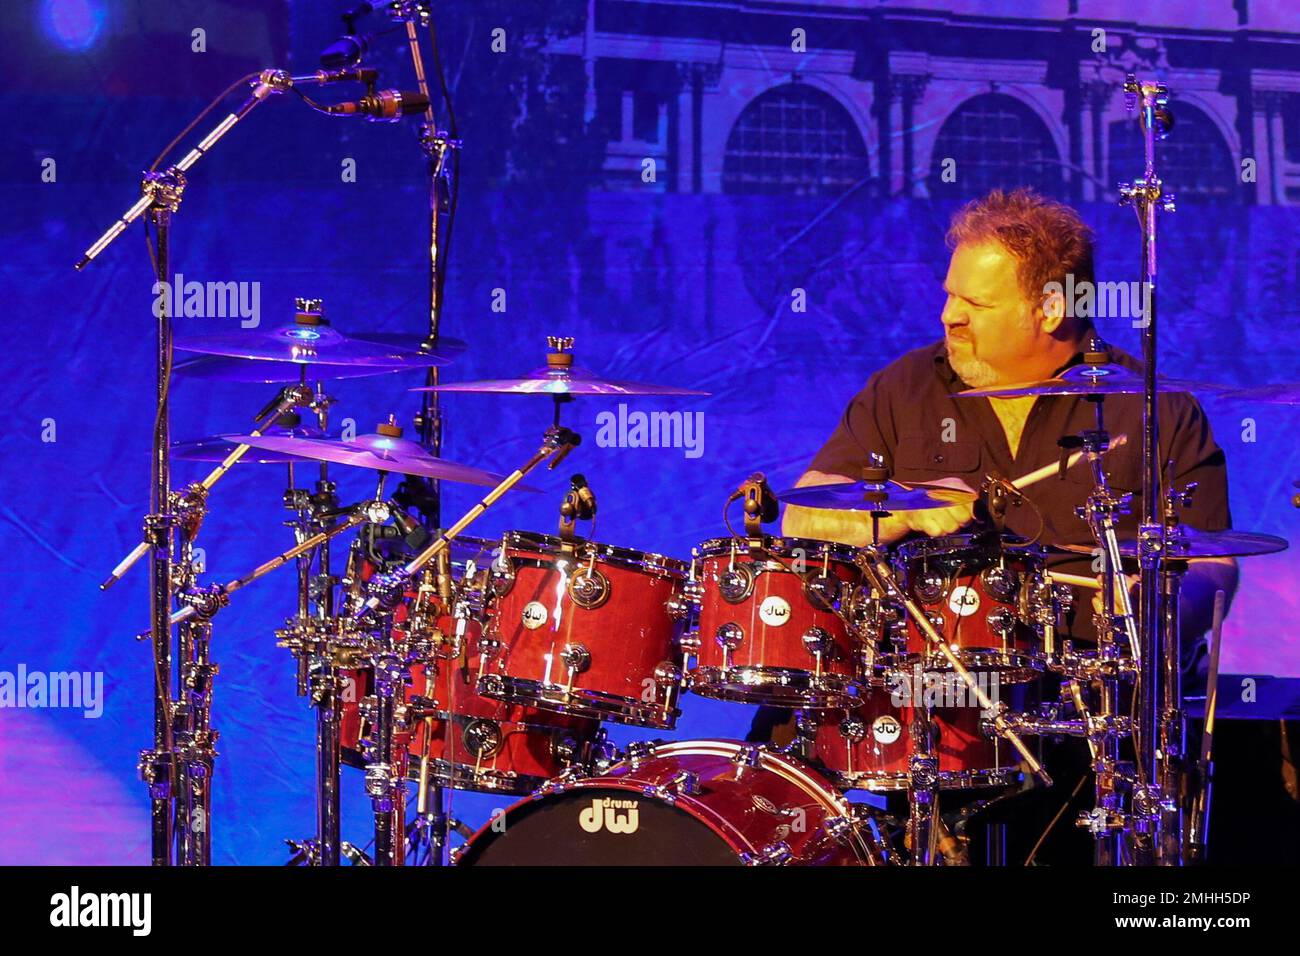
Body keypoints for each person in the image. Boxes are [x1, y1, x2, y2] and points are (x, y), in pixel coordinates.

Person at [750, 188, 1238, 863]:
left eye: (974, 306)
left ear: (1051, 308)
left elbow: (1215, 566)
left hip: (1091, 730)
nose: (949, 317)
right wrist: (899, 512)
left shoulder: (1152, 411)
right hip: (932, 722)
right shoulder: (905, 390)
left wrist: (1138, 623)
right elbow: (804, 515)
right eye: (950, 296)